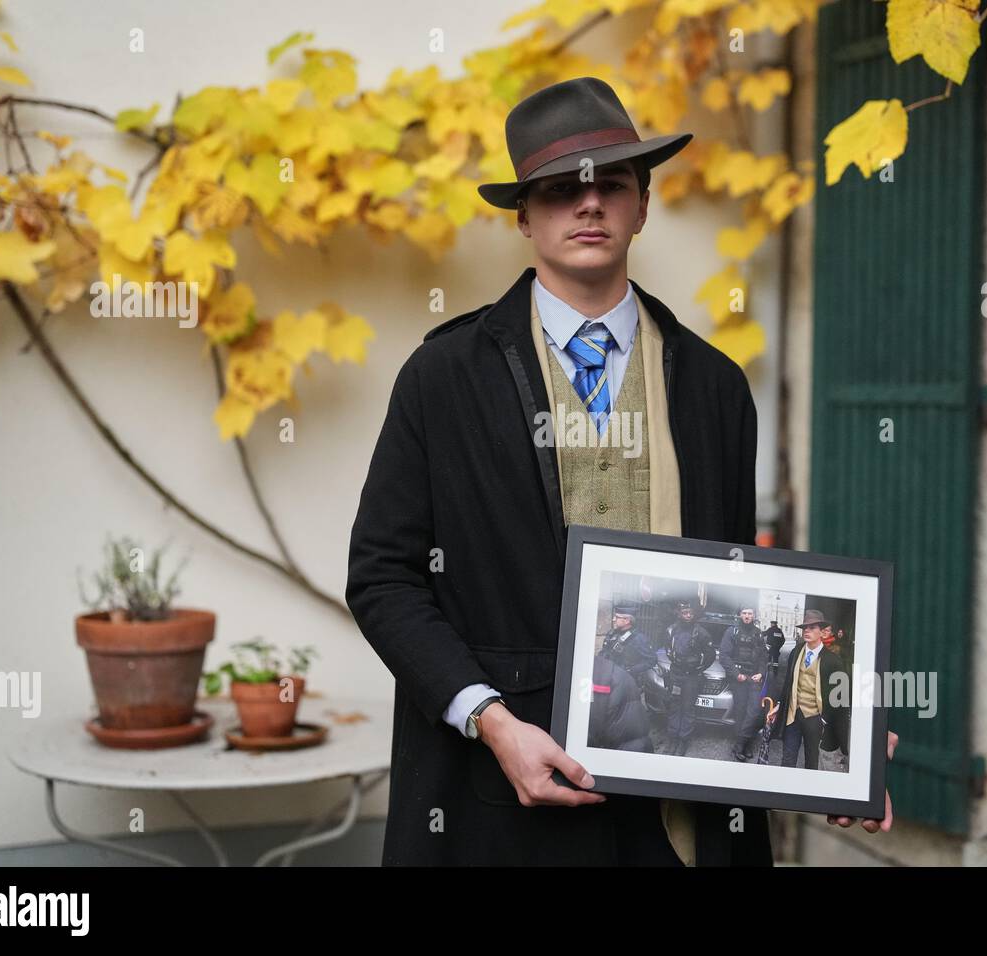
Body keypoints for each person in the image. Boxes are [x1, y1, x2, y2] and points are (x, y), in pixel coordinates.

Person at [346, 76, 777, 865]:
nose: (588, 205)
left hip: (676, 809)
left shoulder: (716, 386)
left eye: (611, 184)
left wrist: (835, 753)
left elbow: (733, 583)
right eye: (559, 191)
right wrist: (492, 721)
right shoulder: (441, 378)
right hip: (499, 802)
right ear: (524, 216)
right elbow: (383, 578)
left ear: (641, 206)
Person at [772, 609, 845, 770]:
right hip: (793, 714)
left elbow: (840, 695)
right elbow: (787, 683)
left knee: (811, 761)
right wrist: (779, 705)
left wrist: (824, 719)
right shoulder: (796, 652)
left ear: (822, 632)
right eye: (805, 627)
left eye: (812, 628)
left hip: (815, 717)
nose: (807, 631)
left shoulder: (833, 660)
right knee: (787, 759)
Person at [661, 599, 717, 757]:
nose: (687, 615)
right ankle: (672, 740)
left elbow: (710, 655)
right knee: (674, 707)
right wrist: (676, 664)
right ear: (679, 614)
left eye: (690, 613)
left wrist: (699, 668)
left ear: (694, 615)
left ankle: (683, 741)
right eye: (684, 613)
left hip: (692, 677)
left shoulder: (701, 633)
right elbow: (666, 648)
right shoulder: (671, 630)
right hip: (676, 675)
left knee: (688, 709)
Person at [719, 604, 768, 761]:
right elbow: (724, 656)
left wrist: (761, 673)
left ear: (754, 616)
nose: (747, 616)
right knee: (740, 712)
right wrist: (736, 674)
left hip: (753, 677)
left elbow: (763, 657)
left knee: (753, 712)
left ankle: (739, 745)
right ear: (740, 615)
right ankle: (744, 746)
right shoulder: (731, 632)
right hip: (739, 678)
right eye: (744, 613)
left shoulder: (758, 634)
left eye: (750, 613)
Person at [588, 655, 652, 753]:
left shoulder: (620, 679)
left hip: (620, 689)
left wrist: (631, 670)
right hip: (615, 685)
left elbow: (651, 659)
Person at [599, 604, 656, 684]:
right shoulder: (611, 633)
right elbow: (604, 652)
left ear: (627, 621)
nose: (613, 619)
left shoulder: (638, 638)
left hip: (626, 682)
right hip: (609, 678)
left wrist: (630, 670)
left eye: (617, 617)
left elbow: (651, 660)